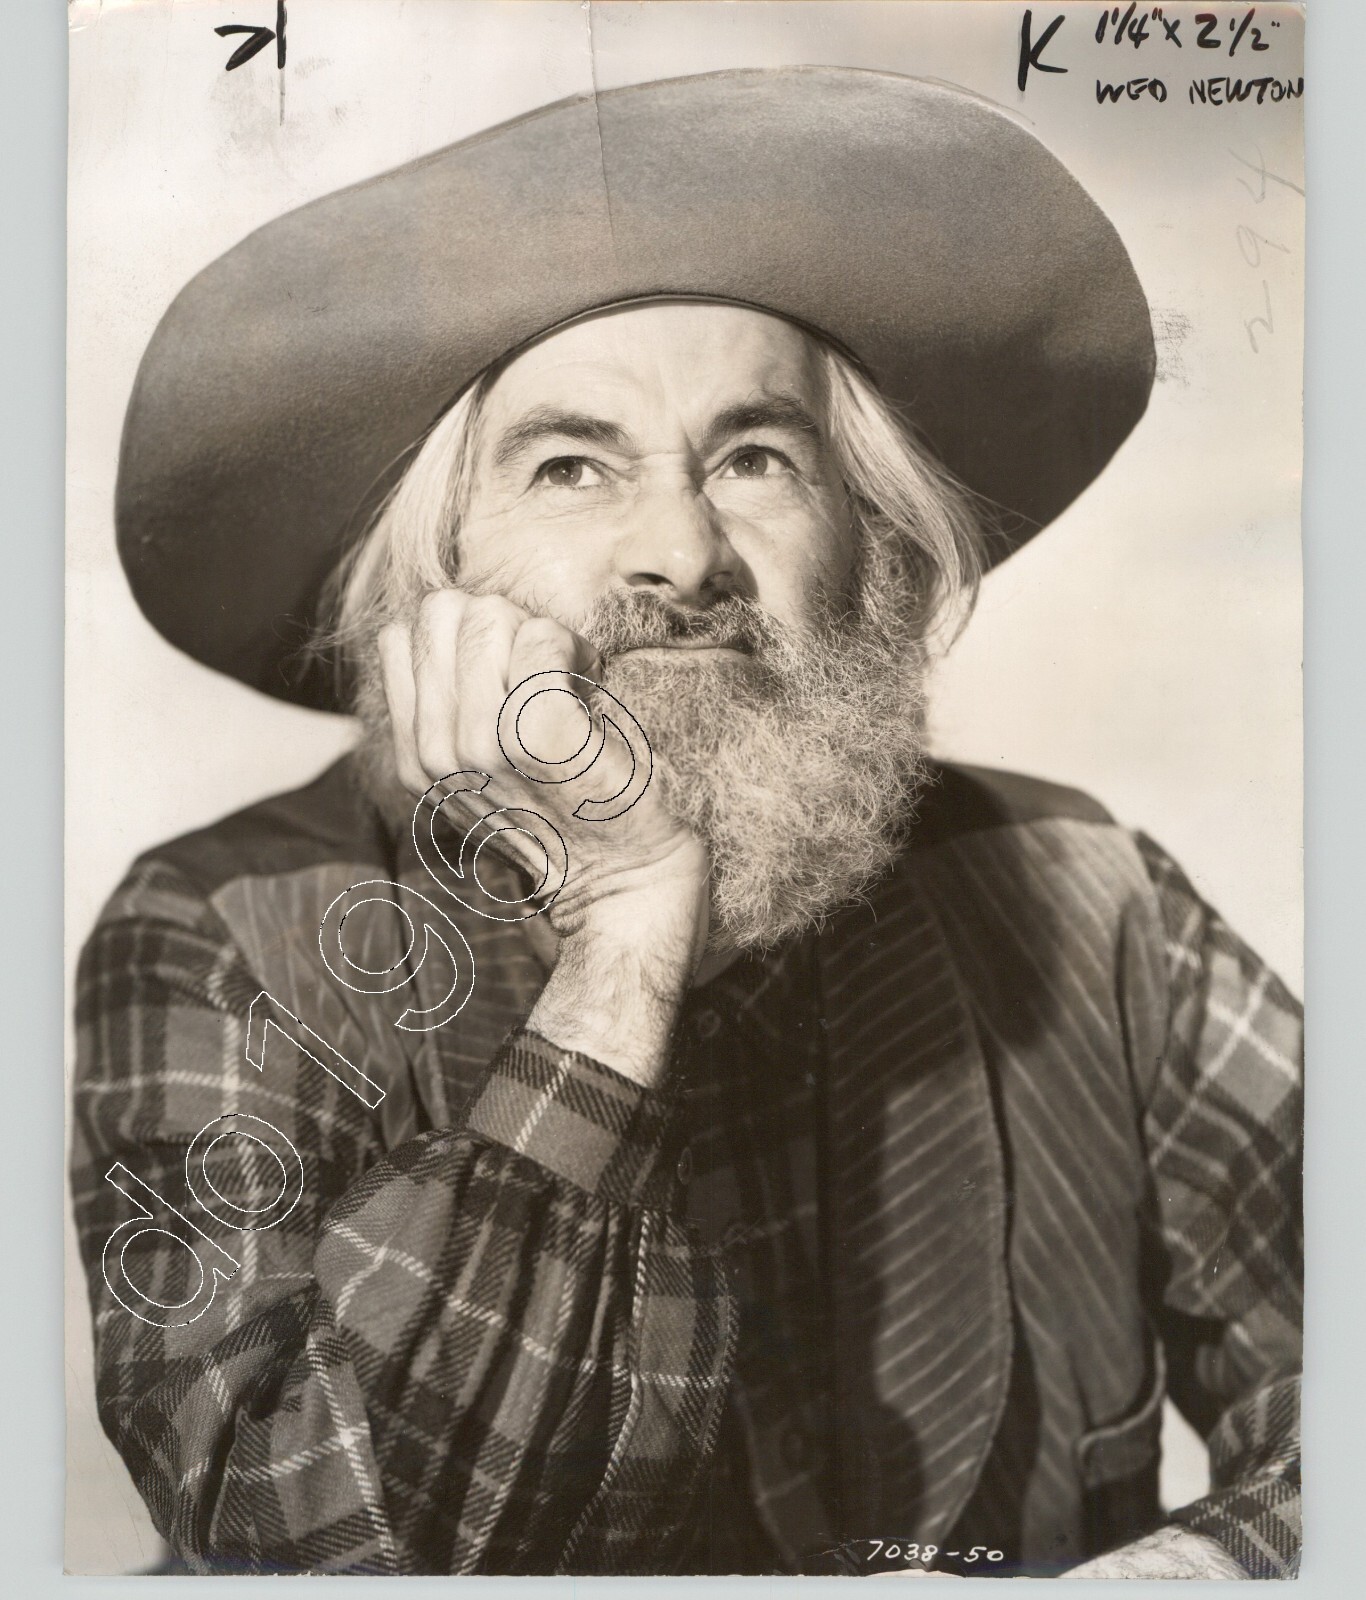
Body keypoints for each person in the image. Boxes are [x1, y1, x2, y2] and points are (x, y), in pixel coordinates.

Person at [70, 68, 1301, 1578]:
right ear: (420, 590)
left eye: (753, 460)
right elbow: (312, 1551)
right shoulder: (221, 935)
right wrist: (624, 943)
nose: (680, 552)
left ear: (878, 559)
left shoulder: (1090, 902)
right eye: (570, 467)